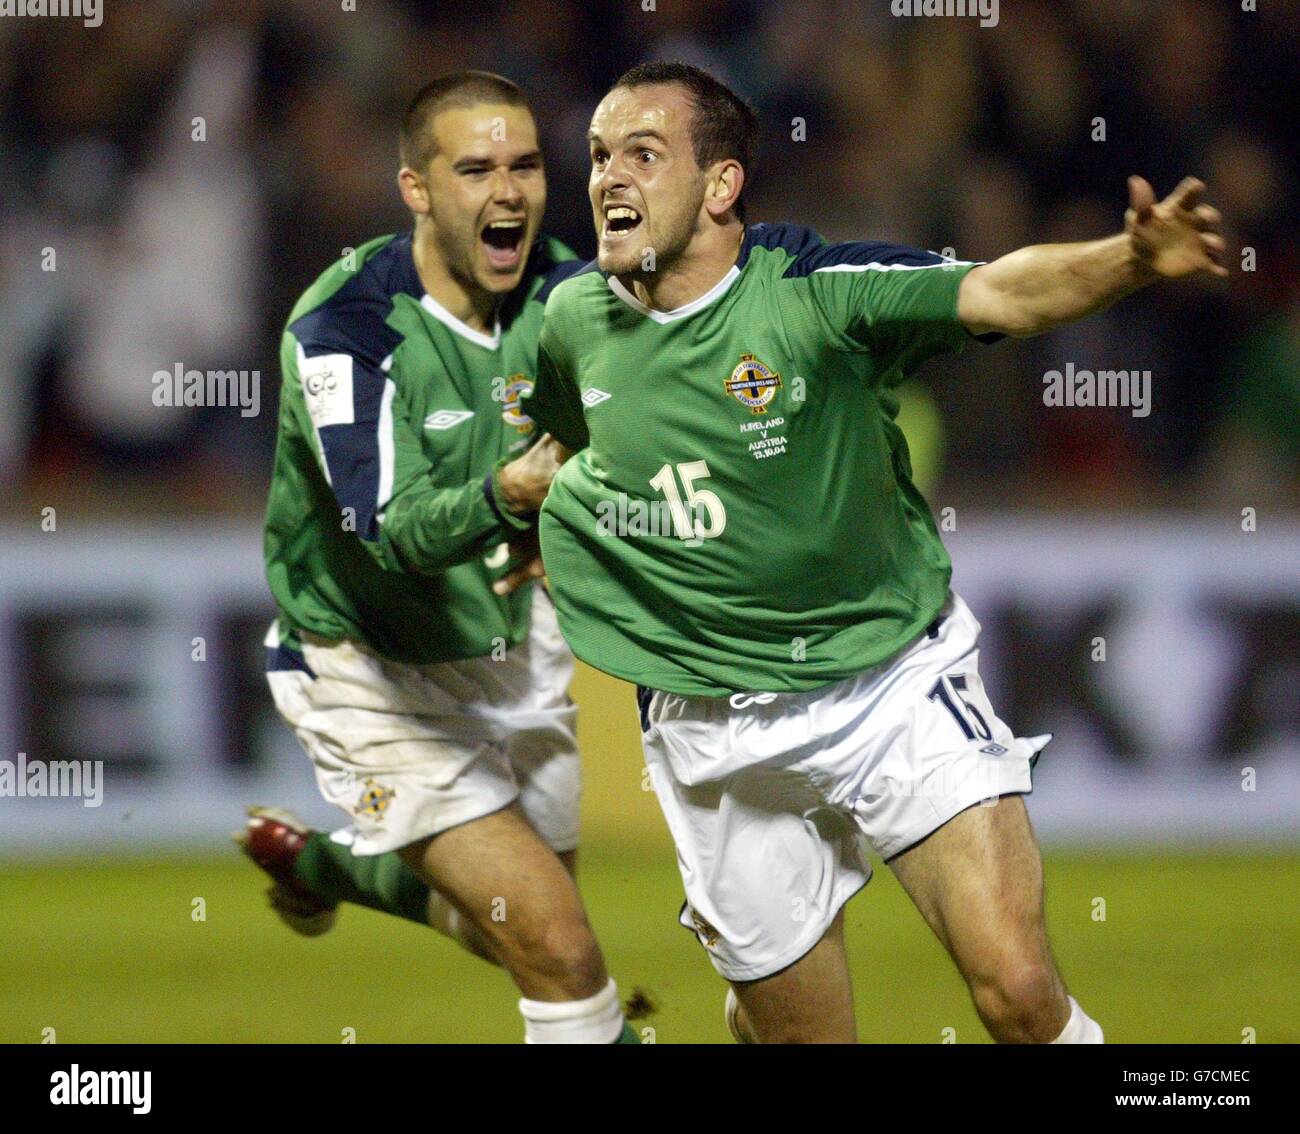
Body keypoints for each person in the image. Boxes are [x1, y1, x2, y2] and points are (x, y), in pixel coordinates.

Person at [520, 61, 1227, 1043]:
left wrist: (1128, 260)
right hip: (713, 725)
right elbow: (556, 446)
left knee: (1019, 993)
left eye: (643, 153)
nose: (608, 178)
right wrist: (533, 518)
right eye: (599, 155)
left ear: (721, 185)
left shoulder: (816, 294)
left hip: (888, 679)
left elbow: (998, 294)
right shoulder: (568, 322)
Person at [242, 70, 637, 1044]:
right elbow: (390, 530)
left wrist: (563, 521)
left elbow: (625, 436)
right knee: (560, 948)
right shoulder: (347, 332)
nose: (508, 192)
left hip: (510, 645)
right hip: (367, 669)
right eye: (474, 170)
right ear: (416, 189)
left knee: (513, 925)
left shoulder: (568, 294)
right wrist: (513, 496)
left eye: (526, 166)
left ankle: (332, 869)